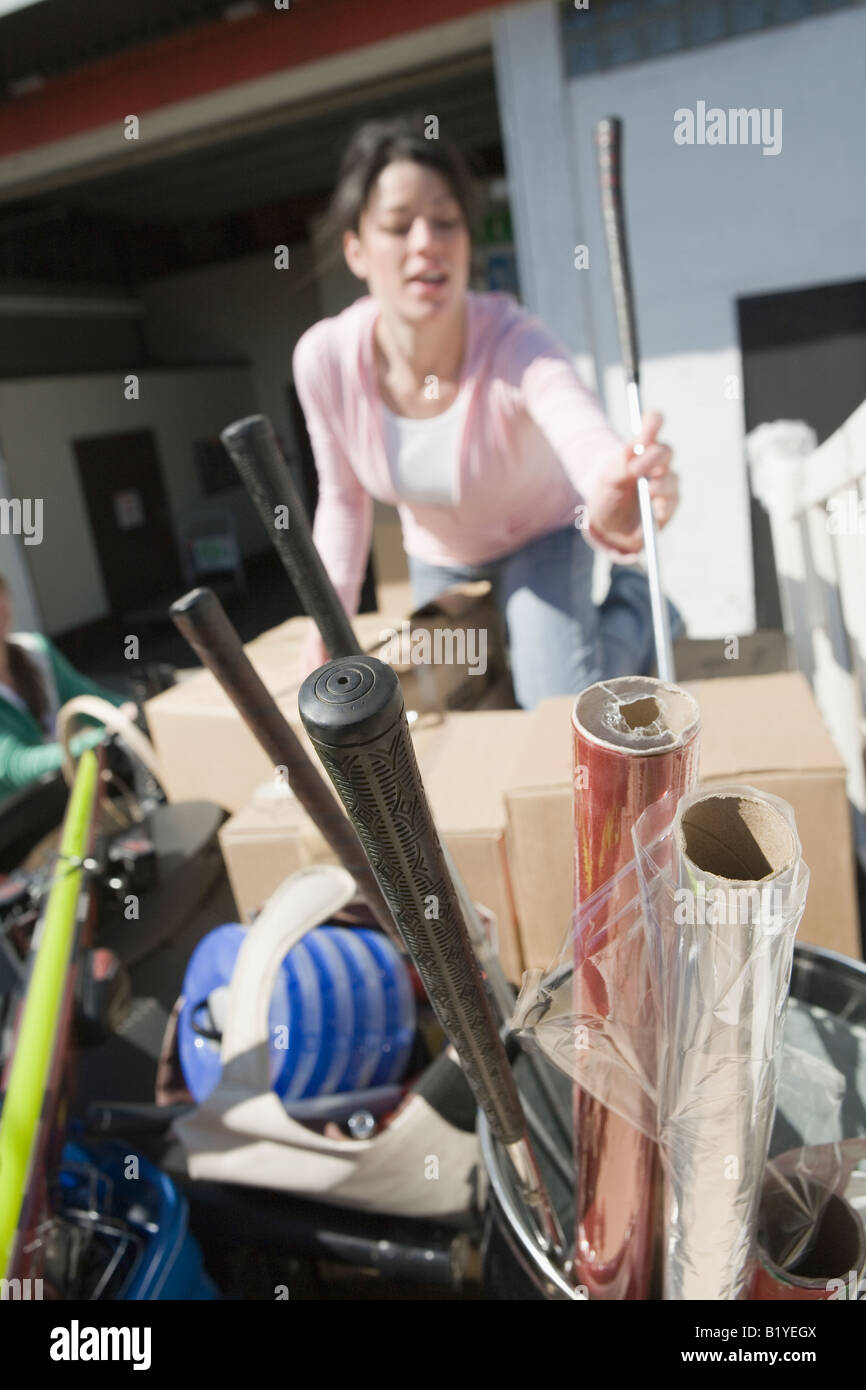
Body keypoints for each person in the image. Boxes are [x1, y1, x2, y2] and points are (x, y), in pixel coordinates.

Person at [293, 114, 683, 709]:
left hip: (543, 535)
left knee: (556, 703)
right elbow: (344, 500)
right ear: (356, 249)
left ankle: (641, 608)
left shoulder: (515, 341)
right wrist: (327, 626)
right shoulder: (324, 360)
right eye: (398, 225)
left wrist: (614, 484)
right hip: (442, 556)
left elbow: (577, 426)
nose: (427, 241)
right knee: (450, 699)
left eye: (446, 221)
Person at [0, 574, 138, 802]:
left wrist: (136, 711)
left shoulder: (35, 652)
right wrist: (104, 737)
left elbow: (91, 701)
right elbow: (16, 766)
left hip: (69, 796)